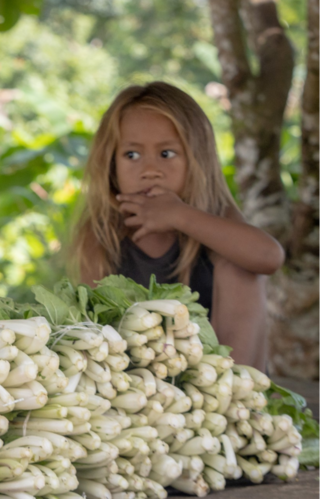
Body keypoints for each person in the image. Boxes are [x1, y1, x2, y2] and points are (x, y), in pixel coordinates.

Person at [72, 82, 285, 372]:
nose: (150, 170)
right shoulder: (103, 234)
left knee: (241, 263)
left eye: (166, 154)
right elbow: (94, 333)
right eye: (132, 155)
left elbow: (268, 257)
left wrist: (179, 216)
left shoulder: (214, 216)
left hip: (217, 382)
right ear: (111, 166)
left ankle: (239, 397)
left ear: (196, 159)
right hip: (139, 384)